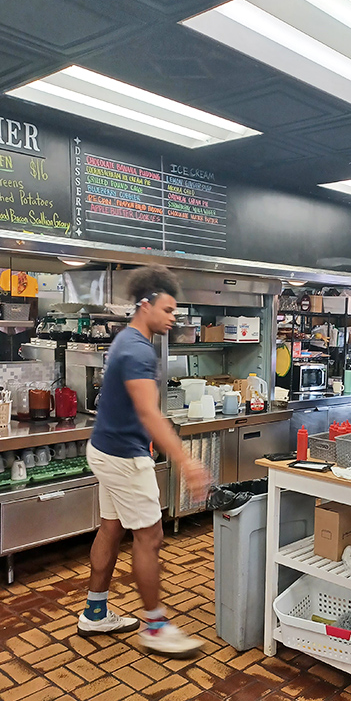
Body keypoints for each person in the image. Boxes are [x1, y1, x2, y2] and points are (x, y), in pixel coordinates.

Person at [77, 265, 211, 656]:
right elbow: (150, 413)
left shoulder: (126, 339)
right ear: (145, 304)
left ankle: (95, 612)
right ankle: (154, 626)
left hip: (105, 449)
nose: (173, 318)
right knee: (149, 537)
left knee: (111, 528)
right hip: (122, 457)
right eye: (168, 310)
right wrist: (186, 461)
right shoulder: (136, 350)